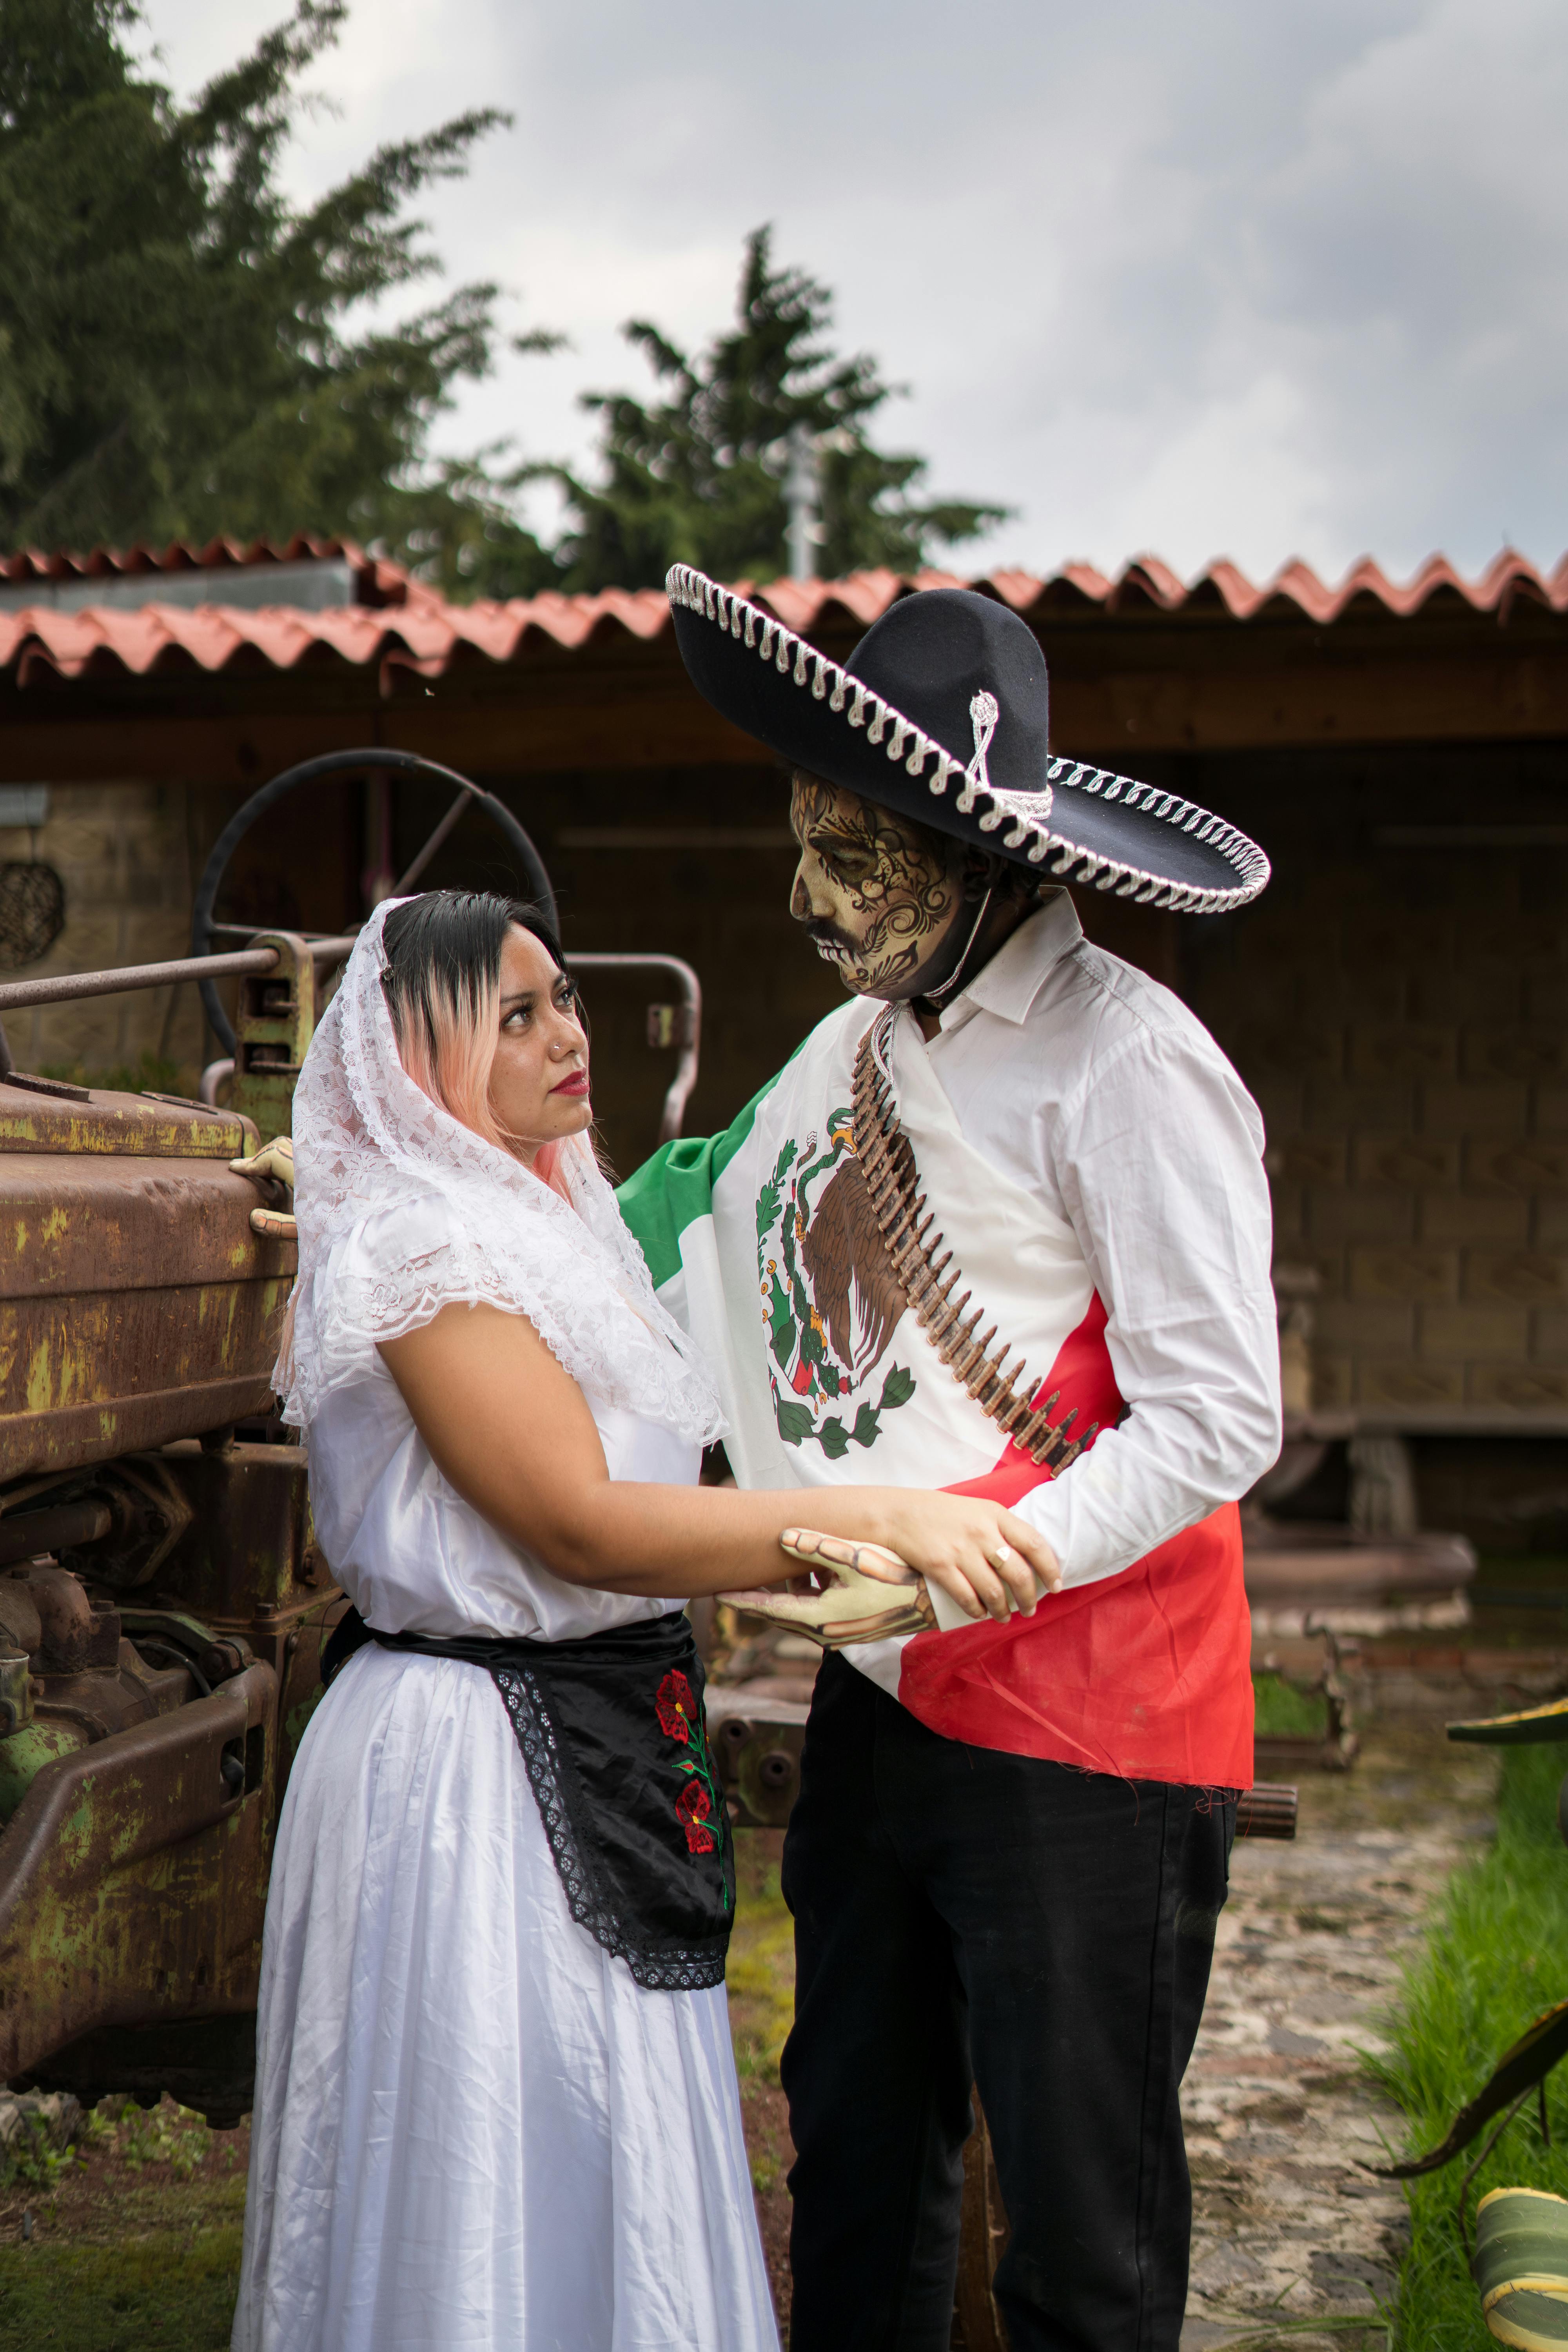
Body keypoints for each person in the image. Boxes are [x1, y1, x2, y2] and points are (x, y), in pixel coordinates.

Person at [231, 887, 1055, 2352]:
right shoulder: (431, 1246)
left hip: (586, 1720)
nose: (570, 1034)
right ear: (421, 1057)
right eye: (519, 1013)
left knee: (599, 2148)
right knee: (490, 2153)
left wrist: (831, 1538)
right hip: (469, 1769)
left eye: (569, 1000)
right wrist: (875, 1522)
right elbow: (580, 1523)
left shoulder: (558, 1219)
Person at [615, 571, 1284, 2352]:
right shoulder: (857, 1043)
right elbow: (714, 1254)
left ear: (980, 854)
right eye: (801, 841)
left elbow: (1221, 1413)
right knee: (851, 2167)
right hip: (892, 1695)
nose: (803, 895)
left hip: (1089, 1722)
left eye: (851, 856)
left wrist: (984, 1556)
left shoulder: (1131, 1066)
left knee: (1080, 2235)